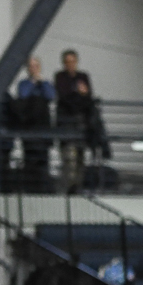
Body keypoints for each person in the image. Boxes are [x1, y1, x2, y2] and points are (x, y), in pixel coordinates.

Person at [53, 49, 96, 193]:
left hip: (81, 126)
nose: (70, 65)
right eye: (67, 62)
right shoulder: (60, 77)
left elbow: (88, 99)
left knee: (80, 160)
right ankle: (68, 189)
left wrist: (80, 95)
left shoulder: (83, 76)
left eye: (72, 62)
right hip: (67, 125)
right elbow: (65, 99)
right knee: (69, 160)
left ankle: (78, 189)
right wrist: (78, 94)